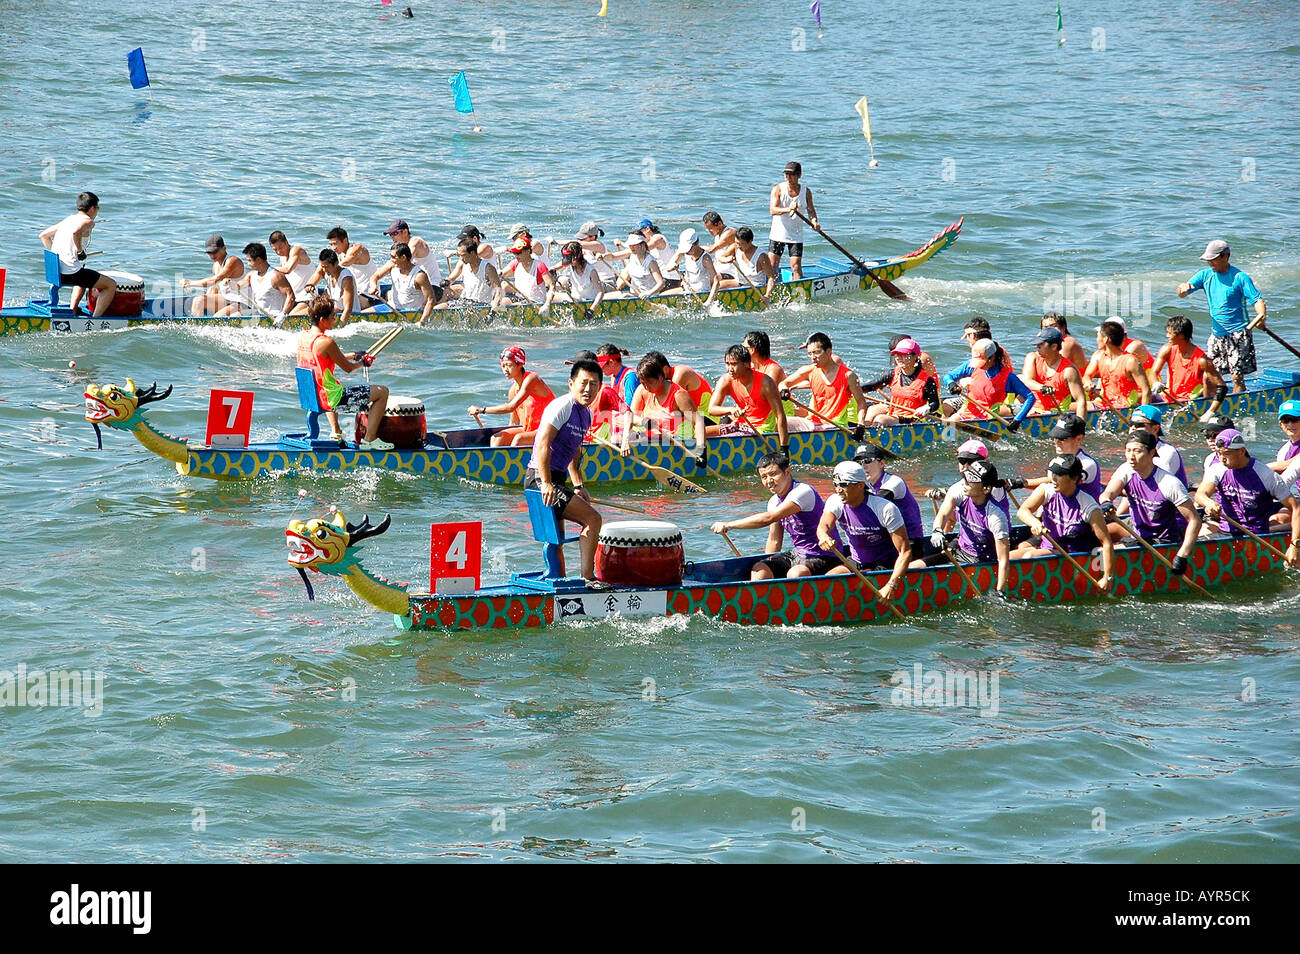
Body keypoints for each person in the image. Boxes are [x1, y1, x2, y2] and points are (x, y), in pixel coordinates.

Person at [525, 358, 606, 587]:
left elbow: (574, 453)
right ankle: (588, 578)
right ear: (571, 384)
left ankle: (557, 583)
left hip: (557, 479)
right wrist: (546, 483)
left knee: (556, 539)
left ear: (599, 387)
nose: (588, 389)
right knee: (593, 518)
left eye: (594, 384)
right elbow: (542, 443)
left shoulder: (586, 415)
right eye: (583, 383)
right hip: (539, 478)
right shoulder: (562, 406)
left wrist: (578, 485)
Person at [709, 452, 842, 580]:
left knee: (796, 574)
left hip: (826, 555)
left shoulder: (803, 491)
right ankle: (763, 601)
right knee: (759, 569)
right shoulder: (773, 501)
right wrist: (768, 562)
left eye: (773, 474)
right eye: (764, 477)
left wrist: (729, 525)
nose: (769, 481)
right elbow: (774, 541)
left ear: (787, 472)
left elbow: (768, 518)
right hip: (799, 554)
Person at [296, 294, 392, 449]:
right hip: (332, 399)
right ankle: (370, 439)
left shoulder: (304, 337)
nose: (335, 318)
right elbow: (348, 368)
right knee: (382, 392)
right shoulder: (326, 342)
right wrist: (363, 363)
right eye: (333, 316)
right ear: (322, 320)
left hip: (314, 396)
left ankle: (336, 432)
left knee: (330, 386)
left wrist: (353, 355)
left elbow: (324, 358)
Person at [1100, 430, 1202, 574]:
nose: (1131, 457)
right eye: (1128, 450)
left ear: (1151, 452)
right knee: (1094, 535)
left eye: (1137, 451)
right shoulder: (1126, 470)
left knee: (1105, 550)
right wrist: (1106, 503)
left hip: (1164, 542)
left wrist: (1182, 556)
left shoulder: (1169, 483)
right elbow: (1108, 493)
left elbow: (1194, 520)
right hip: (1138, 534)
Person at [1012, 455, 1115, 591]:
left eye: (1059, 475)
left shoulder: (1088, 506)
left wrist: (1107, 577)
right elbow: (1023, 511)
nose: (1053, 478)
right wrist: (1034, 523)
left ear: (1073, 478)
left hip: (1071, 557)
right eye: (1053, 473)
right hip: (1048, 549)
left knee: (1029, 556)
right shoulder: (1046, 490)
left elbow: (1106, 542)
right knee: (1005, 557)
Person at [1177, 240, 1267, 393]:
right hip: (1216, 335)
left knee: (1236, 377)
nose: (1210, 263)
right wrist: (1183, 289)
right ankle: (1210, 409)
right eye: (1208, 260)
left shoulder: (1240, 277)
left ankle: (1237, 407)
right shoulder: (1205, 275)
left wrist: (1261, 316)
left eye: (1213, 259)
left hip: (1238, 334)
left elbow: (1257, 300)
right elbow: (1184, 289)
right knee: (1208, 375)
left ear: (1226, 257)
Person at [817, 461, 914, 596]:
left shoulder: (885, 509)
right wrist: (823, 536)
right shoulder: (835, 501)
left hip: (885, 565)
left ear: (860, 485)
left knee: (853, 588)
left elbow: (905, 552)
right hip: (856, 562)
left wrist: (891, 585)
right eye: (835, 484)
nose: (838, 489)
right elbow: (823, 526)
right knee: (825, 583)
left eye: (844, 485)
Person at [1195, 429, 1299, 555]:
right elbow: (1200, 494)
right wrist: (1208, 503)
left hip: (1256, 537)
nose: (1222, 459)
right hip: (1226, 532)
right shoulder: (1217, 469)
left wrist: (1294, 545)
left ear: (1242, 451)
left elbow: (1295, 507)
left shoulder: (1266, 475)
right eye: (1219, 454)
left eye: (1226, 454)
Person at [930, 460, 1011, 597]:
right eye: (966, 477)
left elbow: (1003, 560)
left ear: (986, 488)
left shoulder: (995, 516)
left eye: (971, 480)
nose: (966, 482)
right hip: (959, 551)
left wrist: (1000, 591)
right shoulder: (961, 492)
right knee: (914, 567)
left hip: (980, 561)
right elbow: (943, 514)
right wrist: (937, 530)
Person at [622, 355, 708, 470]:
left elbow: (698, 421)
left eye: (650, 382)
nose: (646, 387)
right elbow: (629, 416)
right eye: (643, 383)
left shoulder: (679, 395)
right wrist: (628, 437)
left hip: (675, 444)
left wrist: (701, 449)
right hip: (650, 440)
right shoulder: (642, 390)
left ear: (660, 377)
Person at [38, 191, 117, 317]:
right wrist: (80, 251)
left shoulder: (68, 219)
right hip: (71, 273)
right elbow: (76, 232)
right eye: (98, 208)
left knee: (83, 274)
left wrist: (57, 254)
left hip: (57, 271)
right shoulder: (88, 221)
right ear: (92, 208)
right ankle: (95, 320)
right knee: (110, 285)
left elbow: (43, 236)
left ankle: (73, 310)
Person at [782, 331, 868, 435]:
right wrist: (784, 390)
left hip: (835, 426)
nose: (812, 357)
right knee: (780, 423)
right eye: (809, 354)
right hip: (812, 422)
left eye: (816, 352)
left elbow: (861, 402)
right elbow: (784, 383)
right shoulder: (808, 371)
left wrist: (861, 425)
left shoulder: (849, 376)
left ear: (828, 352)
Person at [467, 345, 555, 447]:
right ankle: (497, 462)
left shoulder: (532, 379)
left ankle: (515, 462)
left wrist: (482, 410)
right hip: (530, 430)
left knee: (519, 439)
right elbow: (514, 422)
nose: (505, 369)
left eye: (509, 365)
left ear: (520, 364)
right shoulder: (513, 391)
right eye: (503, 366)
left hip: (550, 430)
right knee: (497, 438)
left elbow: (510, 407)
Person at [708, 344, 792, 449]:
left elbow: (780, 416)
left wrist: (784, 448)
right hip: (739, 425)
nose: (730, 369)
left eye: (734, 364)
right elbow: (711, 409)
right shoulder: (726, 380)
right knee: (699, 433)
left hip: (761, 429)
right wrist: (731, 410)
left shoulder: (766, 383)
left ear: (747, 364)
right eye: (727, 364)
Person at [853, 443, 927, 562]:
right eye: (859, 463)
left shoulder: (894, 482)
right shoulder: (865, 486)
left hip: (910, 542)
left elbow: (875, 504)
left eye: (867, 461)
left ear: (882, 463)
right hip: (887, 540)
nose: (863, 467)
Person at [942, 338, 1036, 427]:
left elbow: (1030, 397)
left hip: (991, 417)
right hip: (967, 412)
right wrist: (951, 384)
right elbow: (948, 377)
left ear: (992, 357)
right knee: (948, 424)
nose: (978, 366)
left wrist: (1017, 420)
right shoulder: (971, 366)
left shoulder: (1007, 377)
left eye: (981, 361)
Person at [1149, 314, 1227, 411]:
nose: (1167, 336)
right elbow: (1153, 373)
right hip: (1169, 397)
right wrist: (1156, 382)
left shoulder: (1202, 360)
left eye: (1170, 333)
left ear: (1181, 336)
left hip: (1190, 401)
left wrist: (1209, 413)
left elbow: (1222, 387)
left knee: (1209, 381)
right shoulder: (1167, 349)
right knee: (1145, 395)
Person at [860, 337, 940, 425]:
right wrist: (851, 389)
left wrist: (928, 408)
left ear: (915, 357)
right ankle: (862, 433)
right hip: (894, 414)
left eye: (904, 354)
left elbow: (935, 403)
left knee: (881, 419)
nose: (898, 358)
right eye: (897, 354)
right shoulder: (892, 374)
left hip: (913, 418)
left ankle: (873, 437)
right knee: (871, 410)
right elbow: (870, 386)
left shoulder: (927, 381)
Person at [1027, 414, 1103, 499]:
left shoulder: (1087, 464)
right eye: (1056, 437)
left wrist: (1023, 483)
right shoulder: (1055, 461)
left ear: (1079, 439)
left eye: (1063, 438)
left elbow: (1060, 482)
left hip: (1083, 511)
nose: (1057, 442)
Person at [1083, 319, 1152, 409]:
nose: (1096, 340)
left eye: (1098, 336)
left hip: (1124, 406)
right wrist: (1088, 382)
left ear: (1105, 339)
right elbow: (1087, 376)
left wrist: (1143, 415)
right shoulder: (1098, 356)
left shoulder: (1131, 361)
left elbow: (1146, 390)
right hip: (1103, 404)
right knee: (1072, 407)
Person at [768, 161, 818, 280]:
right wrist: (788, 209)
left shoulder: (806, 192)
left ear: (799, 175)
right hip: (778, 234)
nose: (788, 178)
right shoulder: (778, 189)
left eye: (792, 175)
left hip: (796, 235)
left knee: (796, 267)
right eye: (786, 174)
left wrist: (814, 221)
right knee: (772, 266)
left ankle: (799, 292)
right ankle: (769, 292)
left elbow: (811, 210)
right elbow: (773, 210)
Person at [366, 242, 438, 322]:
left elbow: (431, 300)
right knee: (362, 316)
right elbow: (375, 276)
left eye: (393, 257)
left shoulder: (419, 276)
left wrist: (422, 322)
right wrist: (373, 286)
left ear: (403, 257)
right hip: (391, 307)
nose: (391, 259)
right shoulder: (392, 265)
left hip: (410, 312)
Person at [1022, 326, 1087, 414]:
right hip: (1032, 408)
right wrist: (1043, 388)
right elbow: (1027, 381)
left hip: (1055, 413)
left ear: (1054, 346)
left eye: (1041, 343)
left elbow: (1081, 400)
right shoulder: (1032, 358)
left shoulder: (1069, 370)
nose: (1037, 346)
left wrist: (1080, 423)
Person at [222, 242, 295, 320]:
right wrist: (230, 283)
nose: (248, 264)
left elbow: (291, 296)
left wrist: (283, 315)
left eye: (249, 260)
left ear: (259, 260)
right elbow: (239, 286)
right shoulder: (251, 276)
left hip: (275, 317)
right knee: (234, 316)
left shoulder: (276, 276)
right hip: (259, 315)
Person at [181, 234, 245, 317]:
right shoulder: (215, 266)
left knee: (217, 317)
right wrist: (205, 302)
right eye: (209, 252)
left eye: (215, 251)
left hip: (243, 302)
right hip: (227, 300)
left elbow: (215, 280)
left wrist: (189, 283)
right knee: (198, 300)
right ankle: (197, 327)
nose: (212, 255)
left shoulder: (233, 261)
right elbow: (213, 287)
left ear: (224, 248)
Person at [1130, 404, 1188, 486]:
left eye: (1139, 425)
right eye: (1131, 424)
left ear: (1155, 429)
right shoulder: (1131, 450)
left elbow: (1156, 486)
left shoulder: (1166, 452)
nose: (1133, 428)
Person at [440, 236, 505, 309]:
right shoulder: (463, 264)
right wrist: (446, 282)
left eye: (463, 255)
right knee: (439, 306)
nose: (461, 258)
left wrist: (494, 309)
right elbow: (451, 278)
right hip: (465, 303)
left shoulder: (488, 269)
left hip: (482, 306)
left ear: (473, 253)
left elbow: (499, 291)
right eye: (459, 255)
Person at [545, 242, 606, 317]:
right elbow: (551, 270)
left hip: (588, 302)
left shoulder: (591, 270)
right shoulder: (570, 262)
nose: (567, 261)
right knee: (547, 295)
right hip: (574, 299)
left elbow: (601, 292)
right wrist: (552, 272)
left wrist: (591, 310)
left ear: (576, 257)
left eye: (569, 258)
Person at [642, 350, 713, 414]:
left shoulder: (680, 373)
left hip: (705, 417)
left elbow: (671, 406)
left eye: (654, 374)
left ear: (665, 369)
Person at [667, 228, 720, 309]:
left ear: (696, 244)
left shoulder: (705, 259)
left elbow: (716, 282)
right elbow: (668, 268)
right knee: (662, 296)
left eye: (689, 249)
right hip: (687, 290)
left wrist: (708, 302)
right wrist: (673, 265)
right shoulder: (684, 251)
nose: (687, 252)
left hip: (701, 293)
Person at [382, 219, 444, 286]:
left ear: (405, 232)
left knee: (388, 293)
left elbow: (402, 262)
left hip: (432, 286)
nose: (392, 237)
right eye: (390, 234)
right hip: (415, 286)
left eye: (395, 233)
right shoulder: (399, 248)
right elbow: (392, 263)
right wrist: (375, 278)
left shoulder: (416, 242)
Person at [303, 248, 357, 324]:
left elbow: (347, 309)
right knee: (301, 312)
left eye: (327, 267)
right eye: (323, 267)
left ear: (336, 264)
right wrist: (310, 285)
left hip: (349, 316)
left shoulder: (346, 279)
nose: (324, 270)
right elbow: (316, 275)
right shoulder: (326, 271)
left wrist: (340, 328)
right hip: (332, 312)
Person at [326, 227, 376, 306]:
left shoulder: (358, 249)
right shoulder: (340, 254)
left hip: (367, 296)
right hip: (353, 293)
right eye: (331, 244)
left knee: (333, 306)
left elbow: (348, 260)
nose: (333, 248)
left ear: (345, 240)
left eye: (335, 243)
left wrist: (330, 267)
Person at [730, 227, 781, 302]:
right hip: (739, 283)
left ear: (750, 242)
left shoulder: (761, 256)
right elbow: (721, 257)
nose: (738, 246)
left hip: (754, 286)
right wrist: (728, 259)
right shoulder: (737, 247)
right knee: (718, 284)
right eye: (736, 243)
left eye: (741, 244)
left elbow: (771, 277)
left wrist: (767, 295)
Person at [500, 237, 555, 306]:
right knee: (502, 302)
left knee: (513, 306)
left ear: (528, 251)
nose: (516, 256)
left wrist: (547, 305)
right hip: (519, 298)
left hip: (535, 301)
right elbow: (501, 275)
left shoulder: (539, 266)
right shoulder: (515, 263)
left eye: (519, 253)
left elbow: (552, 286)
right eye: (515, 253)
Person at [612, 232, 666, 300]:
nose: (631, 247)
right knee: (615, 294)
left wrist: (648, 293)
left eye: (634, 245)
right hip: (636, 294)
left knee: (624, 296)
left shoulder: (651, 262)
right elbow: (612, 256)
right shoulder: (631, 255)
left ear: (642, 244)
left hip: (649, 297)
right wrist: (602, 256)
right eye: (630, 245)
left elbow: (661, 283)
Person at [1267, 399, 1300, 507]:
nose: (1290, 424)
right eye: (1286, 420)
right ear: (1280, 424)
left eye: (1294, 419)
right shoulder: (1284, 451)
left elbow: (1287, 466)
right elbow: (1279, 479)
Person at [268, 230, 315, 302]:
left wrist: (268, 269)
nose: (278, 252)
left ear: (286, 242)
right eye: (275, 250)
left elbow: (287, 270)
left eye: (280, 248)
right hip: (292, 297)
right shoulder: (282, 258)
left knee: (289, 314)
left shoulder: (296, 250)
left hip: (307, 297)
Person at [595, 344, 639, 410]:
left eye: (602, 366)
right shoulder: (613, 376)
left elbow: (630, 408)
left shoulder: (630, 377)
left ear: (611, 363)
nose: (600, 369)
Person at [574, 220, 618, 285]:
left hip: (605, 282)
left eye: (582, 238)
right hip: (589, 282)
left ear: (593, 237)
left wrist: (556, 242)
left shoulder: (599, 245)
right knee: (563, 280)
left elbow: (574, 244)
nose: (580, 240)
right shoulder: (584, 248)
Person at [701, 211, 738, 281]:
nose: (709, 232)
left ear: (720, 223)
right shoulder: (717, 235)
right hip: (720, 272)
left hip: (731, 273)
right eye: (707, 229)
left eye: (711, 229)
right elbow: (717, 257)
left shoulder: (730, 233)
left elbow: (711, 250)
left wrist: (695, 247)